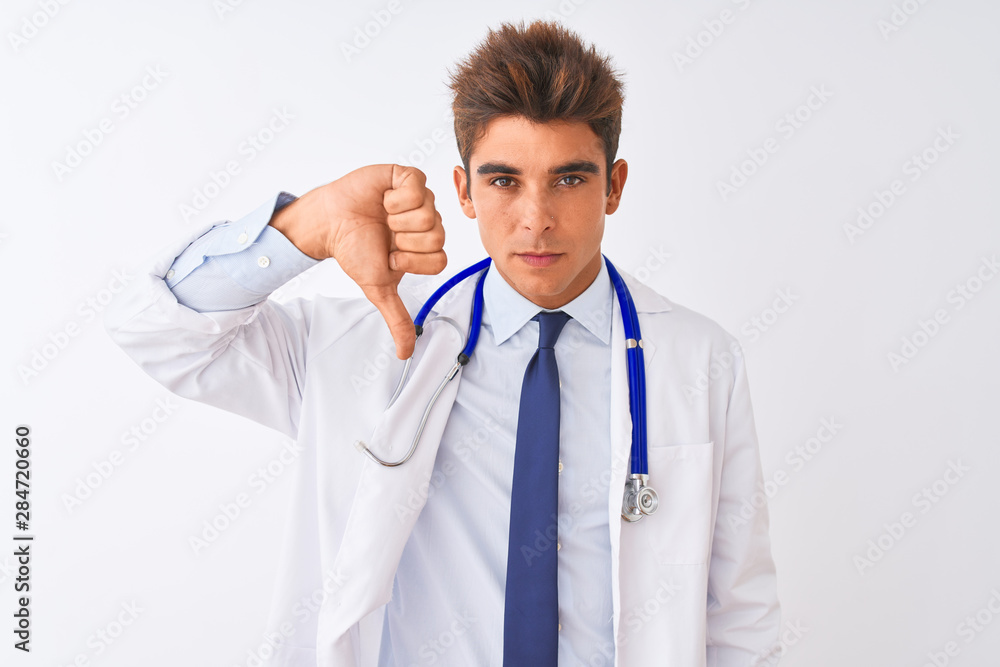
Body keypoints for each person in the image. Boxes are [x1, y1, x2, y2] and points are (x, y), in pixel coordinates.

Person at [105, 19, 782, 667]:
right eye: (503, 180)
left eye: (570, 178)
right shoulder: (356, 348)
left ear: (615, 186)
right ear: (463, 189)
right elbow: (160, 332)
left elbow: (740, 615)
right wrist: (303, 226)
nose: (536, 219)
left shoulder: (699, 361)